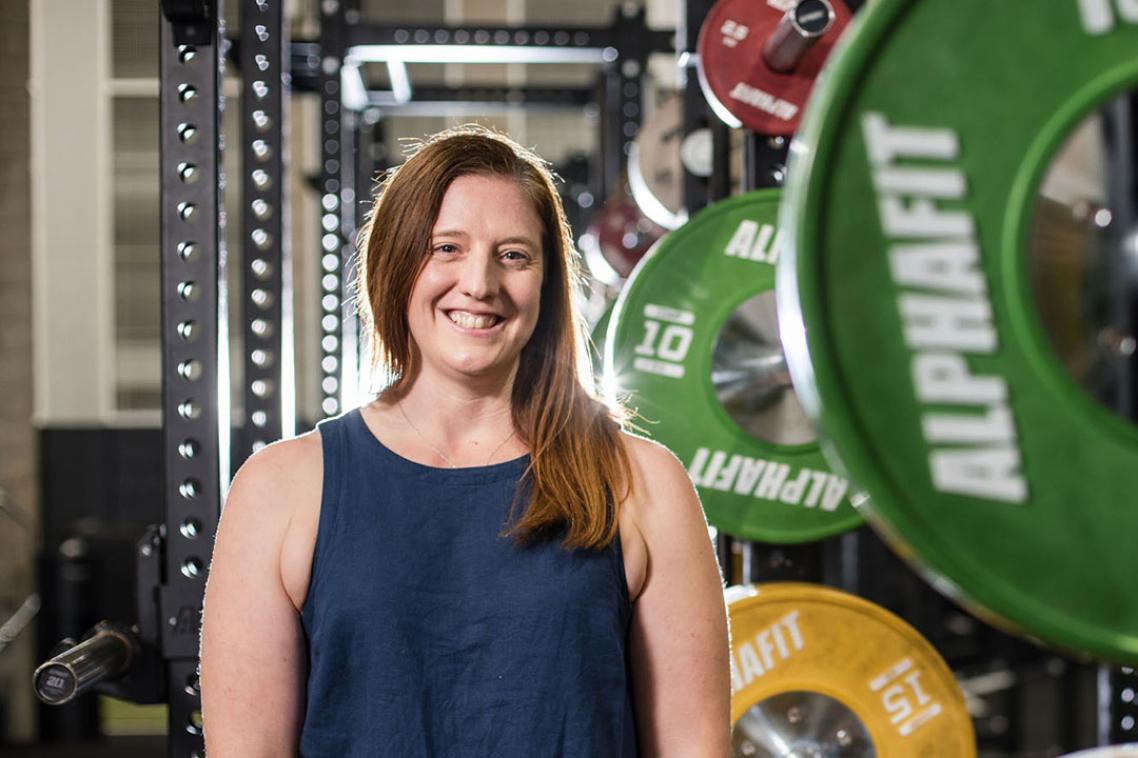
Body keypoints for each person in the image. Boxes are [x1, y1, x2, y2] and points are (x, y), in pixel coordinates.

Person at [200, 125, 730, 757]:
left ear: (548, 284)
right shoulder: (279, 490)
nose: (479, 283)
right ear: (396, 265)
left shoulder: (641, 485)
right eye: (446, 248)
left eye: (514, 255)